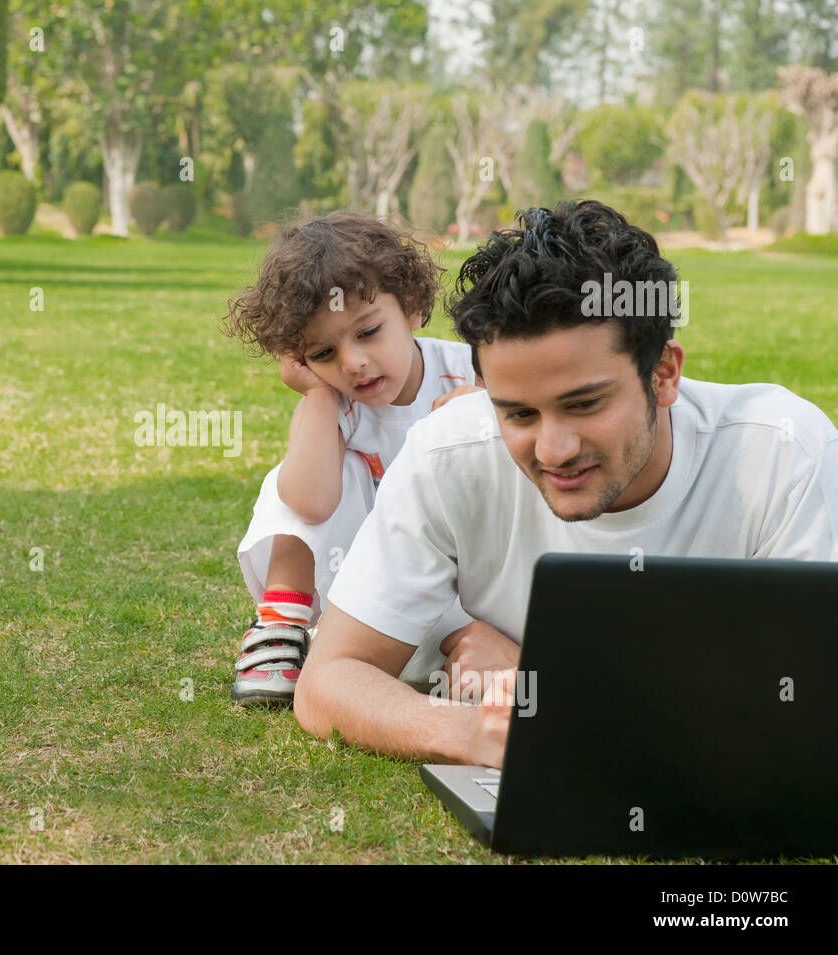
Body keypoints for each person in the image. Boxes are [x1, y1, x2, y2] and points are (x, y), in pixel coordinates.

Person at [294, 199, 838, 765]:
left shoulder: (780, 451)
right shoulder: (448, 453)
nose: (554, 450)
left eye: (584, 404)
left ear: (664, 373)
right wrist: (470, 732)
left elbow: (808, 695)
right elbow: (328, 680)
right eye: (519, 414)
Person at [220, 210, 480, 706]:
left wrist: (480, 415)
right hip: (368, 574)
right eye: (322, 354)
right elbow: (310, 502)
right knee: (301, 471)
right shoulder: (337, 404)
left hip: (455, 574)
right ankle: (281, 625)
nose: (352, 364)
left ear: (412, 307)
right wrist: (317, 397)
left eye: (367, 333)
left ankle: (463, 650)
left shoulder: (467, 374)